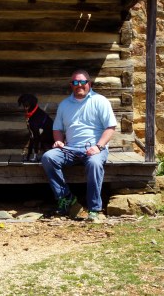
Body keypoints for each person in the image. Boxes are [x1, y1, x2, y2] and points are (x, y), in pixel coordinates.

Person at [40, 69, 116, 222]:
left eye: (83, 82)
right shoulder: (64, 105)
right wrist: (59, 141)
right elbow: (57, 128)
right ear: (71, 85)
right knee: (48, 157)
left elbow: (110, 127)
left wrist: (99, 146)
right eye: (75, 82)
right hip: (70, 149)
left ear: (89, 83)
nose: (79, 85)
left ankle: (94, 208)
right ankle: (66, 198)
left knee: (94, 164)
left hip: (94, 148)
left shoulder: (100, 101)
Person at [16, 94, 53, 162]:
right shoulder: (33, 115)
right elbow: (33, 136)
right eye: (23, 102)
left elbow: (36, 137)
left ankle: (35, 156)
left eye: (28, 103)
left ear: (33, 103)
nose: (25, 106)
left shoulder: (38, 116)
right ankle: (30, 156)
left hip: (50, 145)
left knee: (36, 137)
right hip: (43, 143)